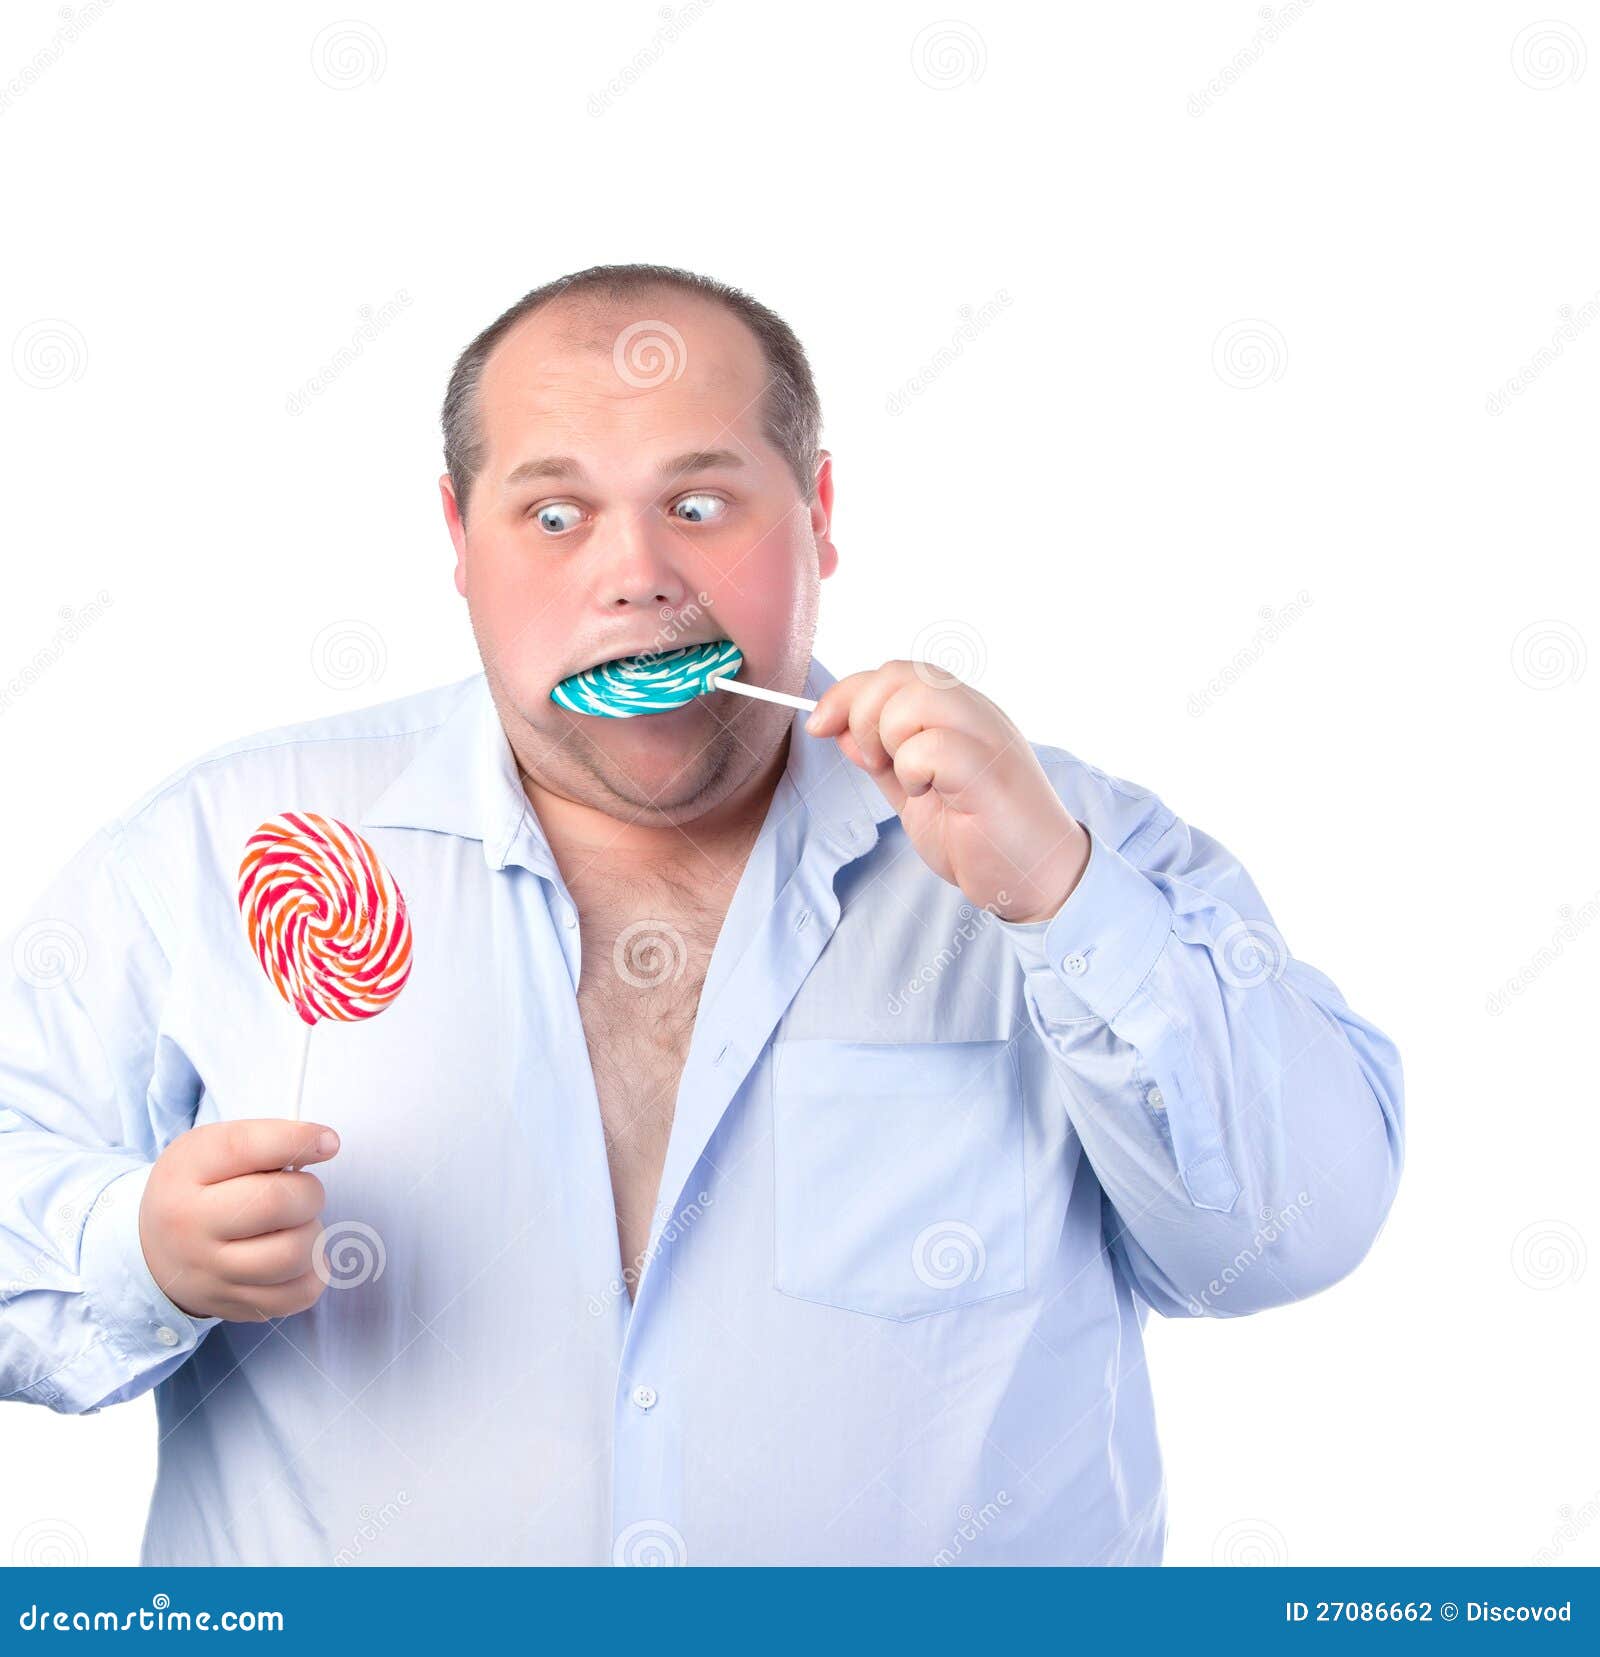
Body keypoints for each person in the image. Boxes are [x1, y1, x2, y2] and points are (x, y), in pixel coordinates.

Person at [0, 263, 1404, 1566]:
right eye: (556, 514)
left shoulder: (1062, 836)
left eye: (701, 502)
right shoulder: (227, 846)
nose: (637, 574)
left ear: (821, 511)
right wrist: (137, 1246)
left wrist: (1068, 898)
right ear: (456, 535)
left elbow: (1298, 1229)